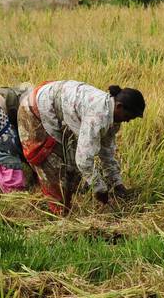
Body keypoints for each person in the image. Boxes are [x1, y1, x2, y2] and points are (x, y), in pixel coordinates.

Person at [18, 81, 146, 215]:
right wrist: (99, 188)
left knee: (71, 165)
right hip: (35, 108)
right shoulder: (97, 116)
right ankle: (58, 213)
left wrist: (116, 183)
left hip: (59, 109)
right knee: (53, 165)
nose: (127, 121)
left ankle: (65, 204)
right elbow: (84, 160)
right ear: (119, 106)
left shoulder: (113, 117)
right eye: (128, 117)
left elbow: (107, 152)